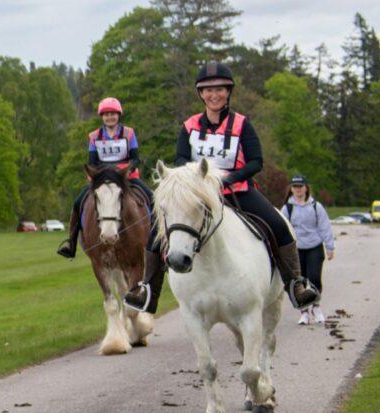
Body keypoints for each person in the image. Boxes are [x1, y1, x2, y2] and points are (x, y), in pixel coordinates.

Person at [124, 61, 320, 312]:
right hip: (198, 195)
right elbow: (182, 160)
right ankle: (148, 290)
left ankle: (296, 283)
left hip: (237, 191)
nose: (213, 94)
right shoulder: (189, 126)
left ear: (228, 92)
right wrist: (197, 182)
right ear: (201, 94)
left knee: (279, 225)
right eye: (207, 90)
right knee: (157, 231)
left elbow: (256, 161)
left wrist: (223, 180)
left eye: (219, 89)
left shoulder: (241, 124)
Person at [57, 96, 153, 258]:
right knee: (77, 202)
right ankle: (71, 243)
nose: (110, 117)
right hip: (102, 179)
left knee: (153, 198)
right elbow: (92, 162)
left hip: (126, 177)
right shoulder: (94, 136)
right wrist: (98, 175)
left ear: (119, 115)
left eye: (113, 114)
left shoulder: (129, 133)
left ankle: (159, 239)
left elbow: (135, 158)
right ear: (102, 117)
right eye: (106, 114)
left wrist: (125, 171)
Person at [282, 175, 334, 325]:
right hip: (296, 249)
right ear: (291, 189)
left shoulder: (315, 206)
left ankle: (316, 307)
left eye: (300, 187)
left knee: (315, 278)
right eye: (294, 187)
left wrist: (330, 246)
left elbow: (324, 226)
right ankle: (304, 312)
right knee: (300, 282)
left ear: (306, 187)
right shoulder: (287, 208)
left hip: (314, 247)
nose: (297, 190)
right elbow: (282, 228)